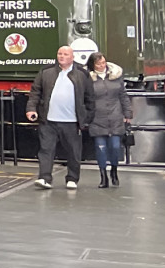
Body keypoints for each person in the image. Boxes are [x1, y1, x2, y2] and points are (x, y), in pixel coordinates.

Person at [24, 44, 92, 190]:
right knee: (46, 150)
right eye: (60, 53)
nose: (62, 56)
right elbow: (35, 92)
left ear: (72, 57)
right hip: (48, 120)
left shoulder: (82, 74)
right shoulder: (46, 72)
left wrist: (86, 119)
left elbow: (89, 98)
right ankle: (45, 178)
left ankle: (72, 178)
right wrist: (31, 109)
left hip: (72, 122)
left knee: (73, 152)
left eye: (65, 54)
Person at [84, 51, 131, 188]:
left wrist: (127, 113)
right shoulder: (87, 79)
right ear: (93, 65)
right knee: (101, 148)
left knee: (115, 147)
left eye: (103, 63)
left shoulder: (116, 76)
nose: (101, 66)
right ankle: (103, 176)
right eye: (98, 64)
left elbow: (123, 95)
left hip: (115, 117)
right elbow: (84, 99)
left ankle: (114, 171)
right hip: (97, 118)